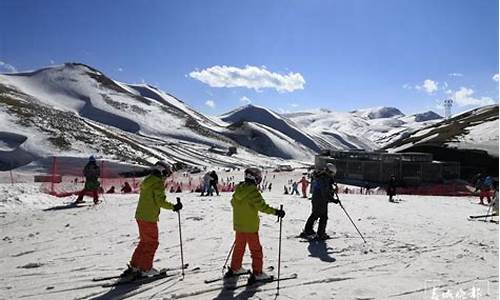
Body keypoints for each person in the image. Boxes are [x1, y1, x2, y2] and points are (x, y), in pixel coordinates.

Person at [121, 161, 183, 278]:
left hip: (141, 216)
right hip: (149, 217)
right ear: (162, 172)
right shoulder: (157, 184)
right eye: (166, 173)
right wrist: (174, 207)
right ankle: (145, 268)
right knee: (152, 243)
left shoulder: (148, 181)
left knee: (144, 242)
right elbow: (160, 201)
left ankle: (135, 266)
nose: (167, 176)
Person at [225, 167, 285, 283]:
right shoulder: (253, 192)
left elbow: (233, 203)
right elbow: (262, 207)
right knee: (256, 250)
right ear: (256, 178)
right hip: (250, 227)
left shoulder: (239, 189)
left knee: (239, 246)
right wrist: (276, 212)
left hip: (239, 225)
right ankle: (257, 273)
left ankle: (235, 268)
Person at [300, 163, 338, 240]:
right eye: (332, 174)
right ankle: (320, 234)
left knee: (315, 214)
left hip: (317, 199)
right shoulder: (324, 179)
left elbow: (325, 190)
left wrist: (331, 189)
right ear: (329, 172)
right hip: (320, 200)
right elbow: (325, 193)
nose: (332, 175)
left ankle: (308, 230)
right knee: (323, 217)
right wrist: (333, 200)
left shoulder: (322, 177)